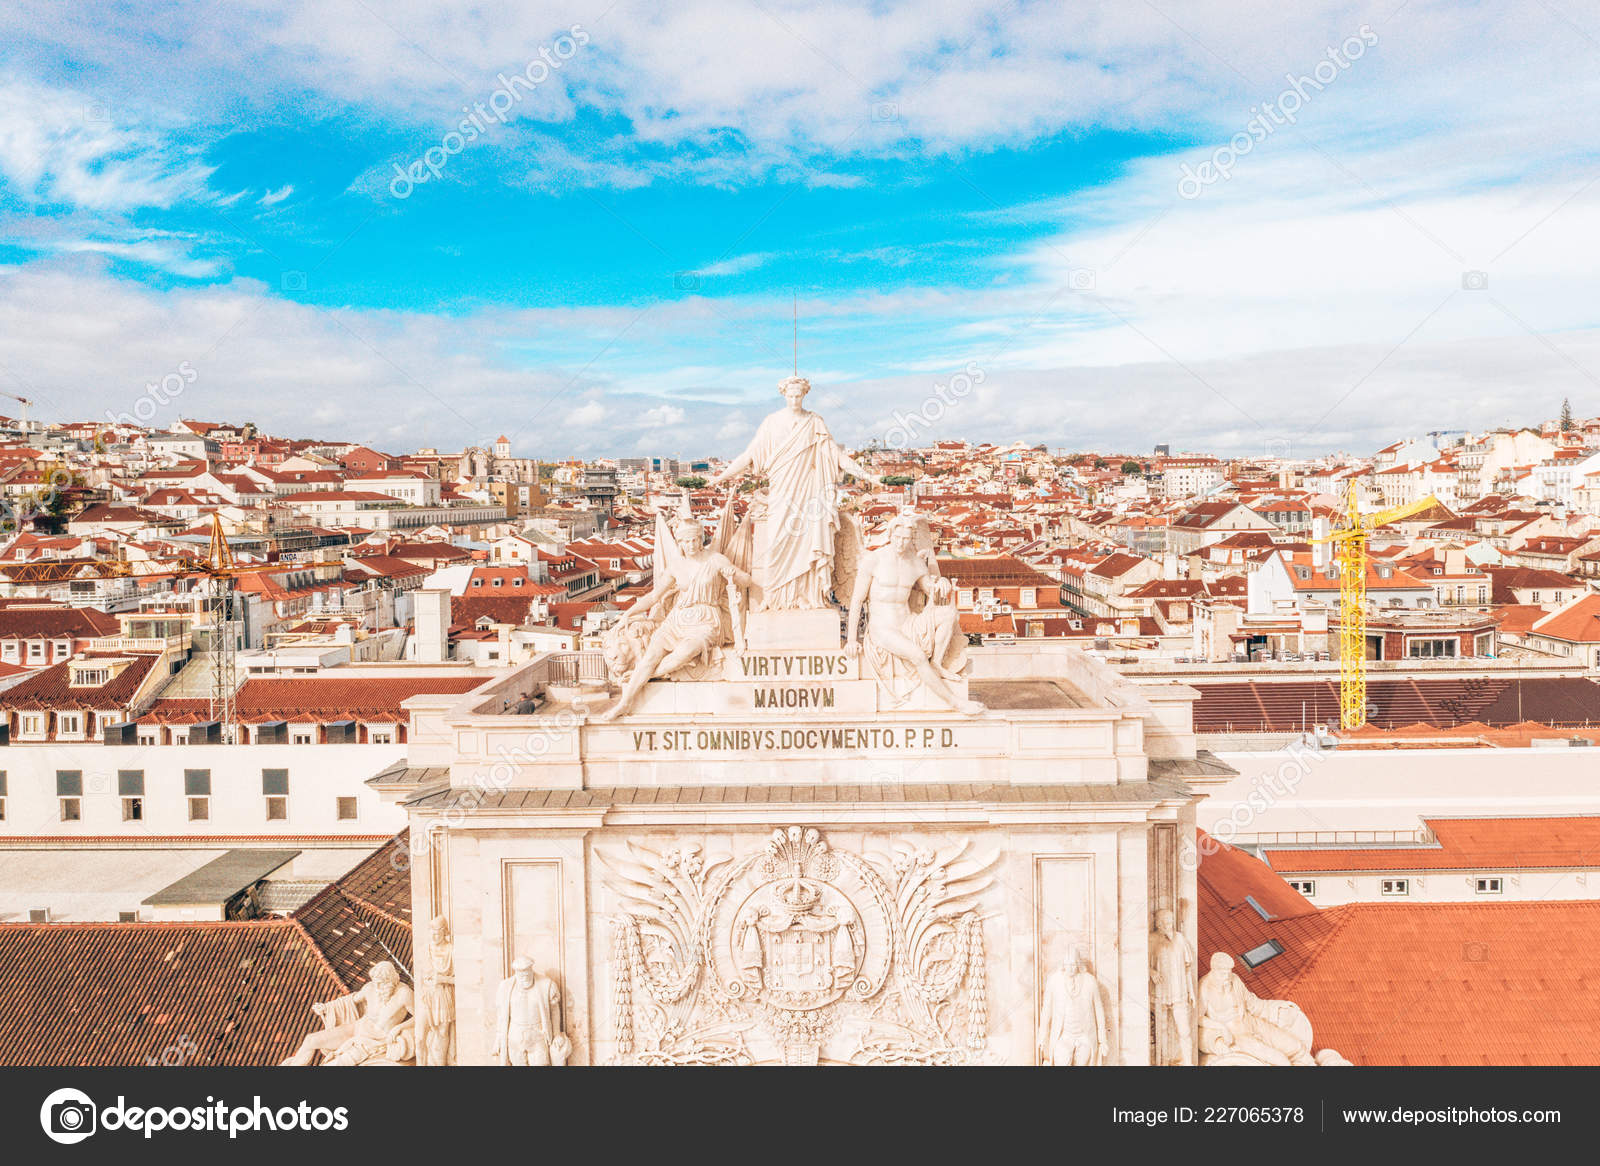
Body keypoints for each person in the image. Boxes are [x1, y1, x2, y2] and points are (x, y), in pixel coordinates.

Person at [707, 375, 867, 610]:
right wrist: (719, 477)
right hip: (782, 493)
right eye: (790, 395)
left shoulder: (815, 422)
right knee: (779, 543)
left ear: (804, 395)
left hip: (809, 493)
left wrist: (868, 475)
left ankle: (808, 597)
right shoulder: (772, 423)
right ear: (784, 395)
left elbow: (836, 455)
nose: (794, 399)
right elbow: (748, 456)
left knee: (808, 540)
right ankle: (778, 597)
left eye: (798, 395)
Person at [593, 509, 752, 721]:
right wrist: (627, 614)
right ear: (680, 543)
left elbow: (746, 580)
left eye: (695, 540)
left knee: (685, 652)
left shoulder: (716, 560)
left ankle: (643, 676)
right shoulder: (676, 567)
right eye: (687, 541)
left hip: (706, 620)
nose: (692, 545)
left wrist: (736, 575)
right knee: (650, 655)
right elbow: (654, 596)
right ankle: (625, 703)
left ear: (701, 538)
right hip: (677, 620)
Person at [844, 512, 978, 714]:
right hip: (883, 628)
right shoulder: (874, 560)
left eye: (906, 539)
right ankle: (955, 702)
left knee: (949, 614)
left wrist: (940, 582)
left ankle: (937, 664)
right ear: (890, 535)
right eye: (897, 538)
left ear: (912, 538)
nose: (901, 543)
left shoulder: (914, 562)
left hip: (908, 622)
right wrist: (851, 639)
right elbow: (857, 600)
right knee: (917, 655)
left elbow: (929, 589)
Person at [281, 961, 414, 1066]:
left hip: (374, 1041)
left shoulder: (404, 994)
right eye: (375, 982)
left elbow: (421, 1016)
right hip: (358, 1028)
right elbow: (351, 1000)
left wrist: (399, 1028)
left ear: (390, 980)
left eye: (380, 983)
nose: (377, 987)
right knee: (311, 1039)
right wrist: (327, 1008)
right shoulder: (370, 988)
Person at [1197, 952, 1315, 1066]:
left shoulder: (1234, 979)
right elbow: (1197, 1018)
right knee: (1282, 1061)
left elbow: (1253, 1004)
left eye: (1228, 973)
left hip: (1252, 1023)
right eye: (1223, 974)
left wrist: (1277, 1008)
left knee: (1296, 1046)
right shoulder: (1204, 988)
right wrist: (1220, 1027)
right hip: (1236, 1036)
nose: (1227, 977)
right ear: (1214, 970)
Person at [492, 957, 570, 1066]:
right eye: (521, 973)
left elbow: (554, 1011)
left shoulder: (546, 985)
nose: (524, 976)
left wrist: (557, 1034)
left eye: (527, 972)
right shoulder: (505, 987)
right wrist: (499, 1037)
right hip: (515, 1037)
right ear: (516, 972)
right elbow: (501, 1016)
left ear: (531, 969)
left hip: (537, 1035)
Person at [1038, 946, 1106, 1066]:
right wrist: (1042, 1036)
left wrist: (1103, 1040)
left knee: (1083, 1060)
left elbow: (1099, 1011)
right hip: (1063, 1036)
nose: (1070, 968)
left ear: (1079, 964)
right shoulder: (1054, 981)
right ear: (1063, 964)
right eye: (1068, 965)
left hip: (1085, 1036)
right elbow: (1046, 1010)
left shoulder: (1090, 981)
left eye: (1074, 964)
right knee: (1062, 1060)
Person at [1149, 907, 1195, 1065]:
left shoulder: (1180, 939)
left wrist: (1191, 992)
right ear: (1158, 924)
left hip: (1179, 991)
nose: (1169, 924)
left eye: (1170, 921)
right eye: (1165, 922)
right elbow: (1140, 962)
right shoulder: (1152, 939)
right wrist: (1151, 971)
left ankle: (1188, 1062)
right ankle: (1162, 1061)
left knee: (1185, 1030)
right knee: (1161, 1031)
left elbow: (1188, 968)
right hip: (1160, 992)